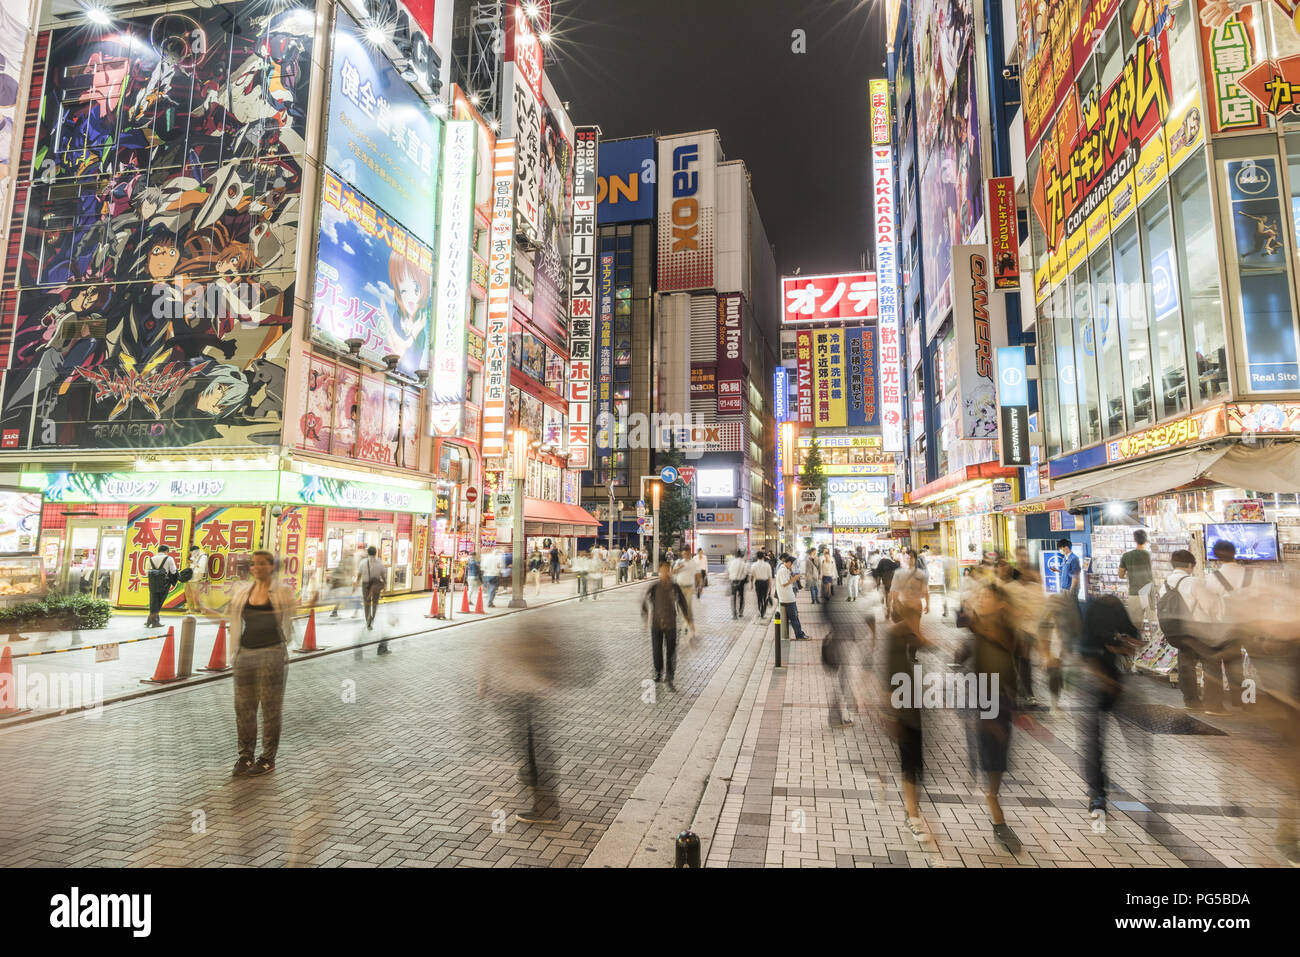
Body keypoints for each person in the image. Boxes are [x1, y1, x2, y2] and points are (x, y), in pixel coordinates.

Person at [206, 550, 296, 777]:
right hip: (244, 654)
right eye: (254, 564)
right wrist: (205, 609)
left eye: (262, 564)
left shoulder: (282, 591)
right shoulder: (243, 591)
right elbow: (228, 617)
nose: (256, 568)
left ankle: (267, 758)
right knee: (244, 709)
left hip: (272, 653)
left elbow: (291, 614)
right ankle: (245, 756)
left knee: (270, 710)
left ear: (271, 566)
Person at [957, 582, 1021, 852]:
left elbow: (1015, 670)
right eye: (980, 596)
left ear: (1001, 604)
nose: (982, 599)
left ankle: (992, 797)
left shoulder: (1009, 633)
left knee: (998, 765)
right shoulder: (976, 632)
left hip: (1003, 705)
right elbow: (962, 662)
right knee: (992, 762)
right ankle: (998, 817)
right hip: (985, 708)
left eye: (987, 597)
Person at [1078, 593, 1144, 826]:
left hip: (1112, 684)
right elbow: (1087, 655)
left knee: (1096, 742)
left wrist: (1122, 647)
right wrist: (1105, 678)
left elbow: (1134, 641)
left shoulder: (1101, 615)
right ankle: (1097, 791)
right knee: (1095, 741)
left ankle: (1098, 791)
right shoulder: (1097, 621)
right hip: (1098, 684)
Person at [883, 593, 937, 842]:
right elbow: (888, 679)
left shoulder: (913, 635)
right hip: (904, 711)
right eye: (915, 613)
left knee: (916, 765)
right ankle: (912, 815)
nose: (919, 616)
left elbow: (928, 645)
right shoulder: (896, 636)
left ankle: (913, 811)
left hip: (915, 708)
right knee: (911, 763)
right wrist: (891, 714)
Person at [1160, 549, 1220, 712]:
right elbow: (1211, 607)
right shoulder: (1195, 582)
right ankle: (1214, 706)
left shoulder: (1165, 584)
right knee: (1211, 664)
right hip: (1200, 629)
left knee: (1186, 665)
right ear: (1189, 564)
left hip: (1178, 631)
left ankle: (1191, 702)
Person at [1201, 540, 1251, 716]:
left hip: (1222, 626)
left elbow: (1209, 606)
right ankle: (1242, 701)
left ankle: (1214, 705)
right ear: (1234, 552)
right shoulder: (1248, 573)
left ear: (1216, 556)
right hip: (1246, 626)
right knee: (1236, 663)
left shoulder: (1214, 577)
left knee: (1213, 664)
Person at [641, 560, 693, 693]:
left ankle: (669, 677)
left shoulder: (674, 587)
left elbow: (682, 604)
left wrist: (689, 621)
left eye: (666, 570)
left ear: (669, 571)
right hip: (656, 624)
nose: (664, 573)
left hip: (670, 625)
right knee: (657, 651)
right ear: (659, 572)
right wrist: (645, 619)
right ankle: (658, 673)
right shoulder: (654, 586)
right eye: (662, 571)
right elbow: (645, 602)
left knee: (671, 653)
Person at [1118, 529, 1153, 630]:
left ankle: (1138, 644)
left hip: (1134, 593)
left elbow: (1120, 574)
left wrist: (1130, 575)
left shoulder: (1126, 556)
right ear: (1146, 540)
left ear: (1134, 539)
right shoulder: (1149, 555)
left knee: (1136, 625)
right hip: (1149, 593)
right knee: (1154, 625)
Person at [356, 546, 388, 648]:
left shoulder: (363, 563)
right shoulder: (380, 563)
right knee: (375, 603)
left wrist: (356, 582)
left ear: (367, 553)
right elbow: (383, 575)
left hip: (365, 585)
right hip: (375, 585)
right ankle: (372, 618)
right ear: (376, 553)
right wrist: (385, 584)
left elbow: (359, 574)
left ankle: (368, 620)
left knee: (366, 603)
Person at [776, 554, 811, 641]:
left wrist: (791, 574)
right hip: (787, 598)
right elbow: (784, 583)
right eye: (792, 564)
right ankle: (799, 635)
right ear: (788, 563)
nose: (792, 566)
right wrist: (794, 579)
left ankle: (800, 634)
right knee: (794, 618)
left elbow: (787, 582)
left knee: (794, 617)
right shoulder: (783, 570)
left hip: (788, 597)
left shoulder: (785, 570)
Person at [144, 544, 177, 629]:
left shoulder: (151, 559)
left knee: (153, 601)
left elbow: (146, 572)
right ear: (166, 551)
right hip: (164, 583)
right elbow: (173, 572)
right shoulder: (169, 558)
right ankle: (151, 619)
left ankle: (154, 621)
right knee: (159, 602)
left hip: (153, 583)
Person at [329, 545, 362, 619]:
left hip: (346, 582)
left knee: (345, 597)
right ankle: (337, 611)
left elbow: (347, 570)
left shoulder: (347, 560)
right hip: (348, 581)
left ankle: (336, 611)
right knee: (349, 597)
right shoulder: (352, 560)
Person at [726, 549, 749, 619]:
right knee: (741, 597)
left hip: (733, 581)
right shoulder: (743, 563)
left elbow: (729, 571)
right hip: (741, 582)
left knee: (733, 598)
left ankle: (734, 614)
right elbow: (745, 573)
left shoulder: (731, 562)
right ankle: (740, 613)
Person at [186, 546, 208, 614]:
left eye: (192, 552)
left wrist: (193, 562)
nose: (192, 554)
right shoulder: (194, 556)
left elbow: (201, 568)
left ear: (196, 551)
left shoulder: (203, 557)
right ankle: (191, 609)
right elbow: (191, 565)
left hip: (195, 578)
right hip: (189, 577)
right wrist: (190, 563)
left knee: (196, 595)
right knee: (188, 594)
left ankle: (203, 609)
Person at [751, 549, 773, 617]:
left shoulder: (754, 565)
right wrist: (770, 587)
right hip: (765, 583)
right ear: (763, 557)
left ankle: (760, 611)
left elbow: (752, 576)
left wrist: (751, 584)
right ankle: (763, 611)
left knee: (759, 598)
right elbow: (770, 577)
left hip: (758, 583)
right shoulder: (767, 565)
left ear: (757, 557)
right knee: (765, 597)